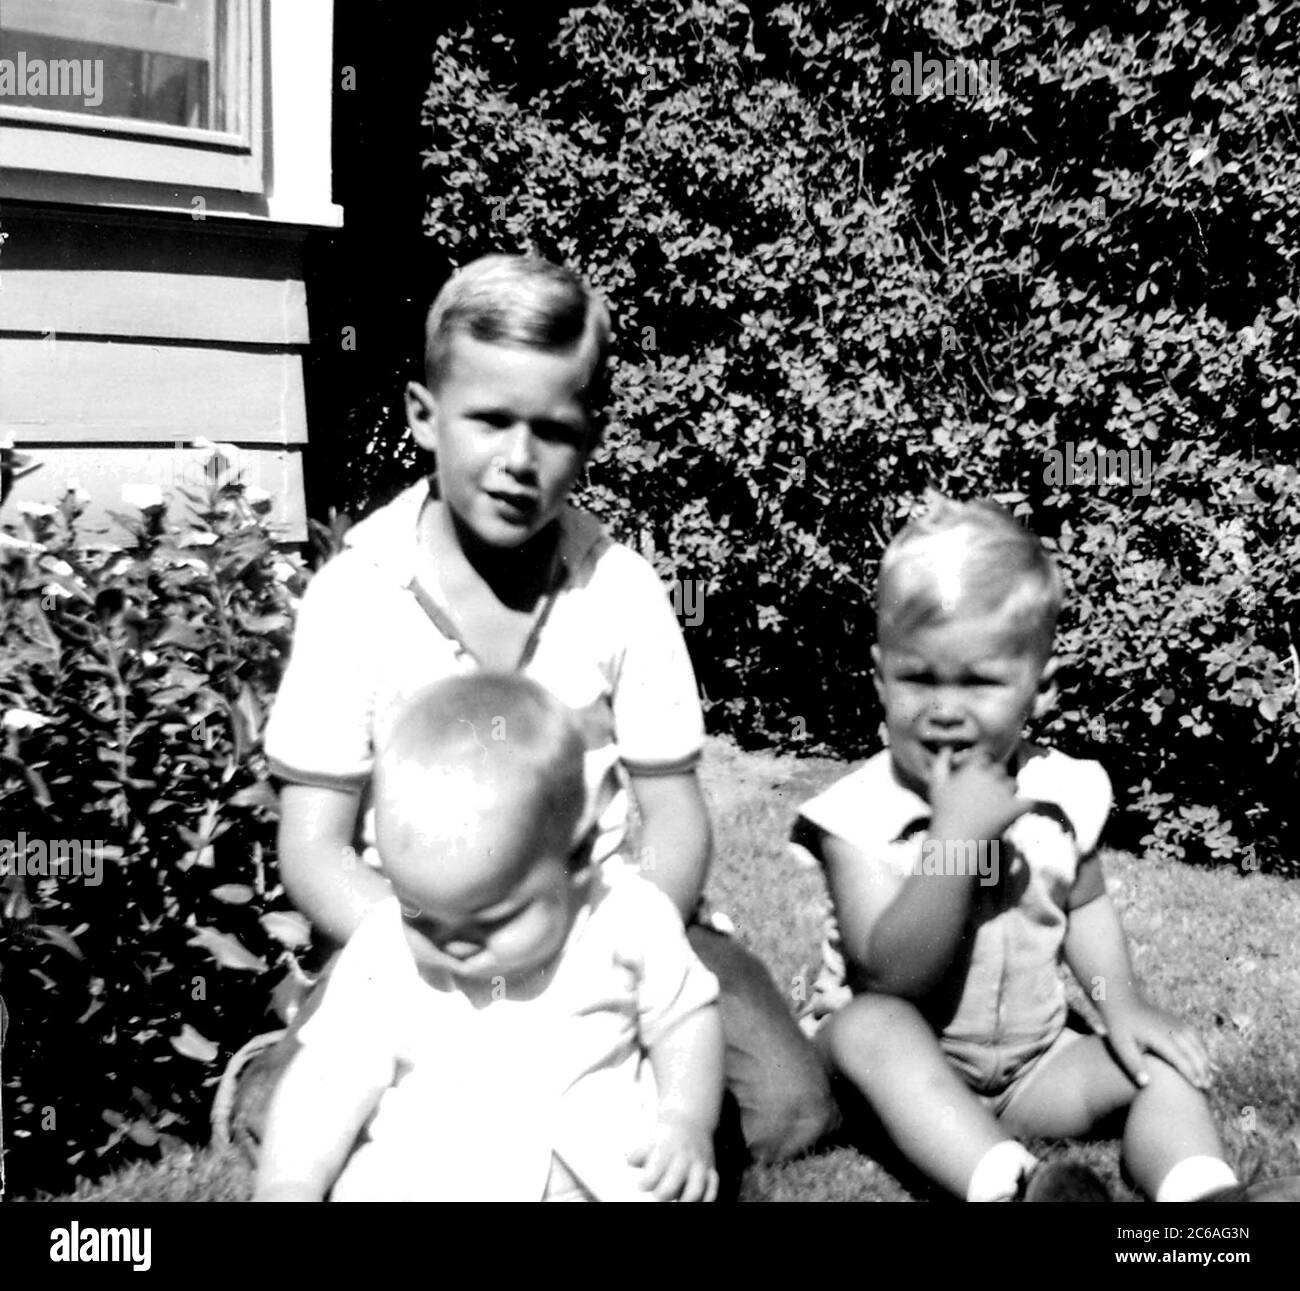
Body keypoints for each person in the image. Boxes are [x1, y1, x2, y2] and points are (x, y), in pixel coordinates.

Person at [254, 253, 835, 1169]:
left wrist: (616, 938)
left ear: (592, 434)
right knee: (291, 1118)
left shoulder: (621, 590)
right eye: (487, 420)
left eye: (552, 430)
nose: (517, 461)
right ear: (422, 416)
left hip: (599, 904)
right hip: (416, 923)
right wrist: (445, 940)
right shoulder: (354, 595)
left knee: (790, 1105)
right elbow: (314, 846)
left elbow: (674, 811)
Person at [794, 495, 1296, 1202]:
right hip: (890, 1077)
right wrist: (957, 838)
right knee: (868, 1027)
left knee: (1153, 1065)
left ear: (1041, 687)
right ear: (880, 676)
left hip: (1029, 1066)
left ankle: (1207, 1203)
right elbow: (891, 978)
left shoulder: (1062, 791)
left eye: (979, 680)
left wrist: (1120, 1005)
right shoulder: (861, 814)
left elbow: (1086, 909)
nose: (944, 707)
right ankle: (1014, 1187)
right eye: (917, 677)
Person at [254, 675, 723, 1201]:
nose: (454, 944)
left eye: (491, 921)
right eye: (422, 916)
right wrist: (289, 1181)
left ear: (580, 857)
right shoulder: (384, 948)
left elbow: (684, 1020)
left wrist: (684, 1119)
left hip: (591, 1177)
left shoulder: (627, 917)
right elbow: (329, 1078)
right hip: (427, 1177)